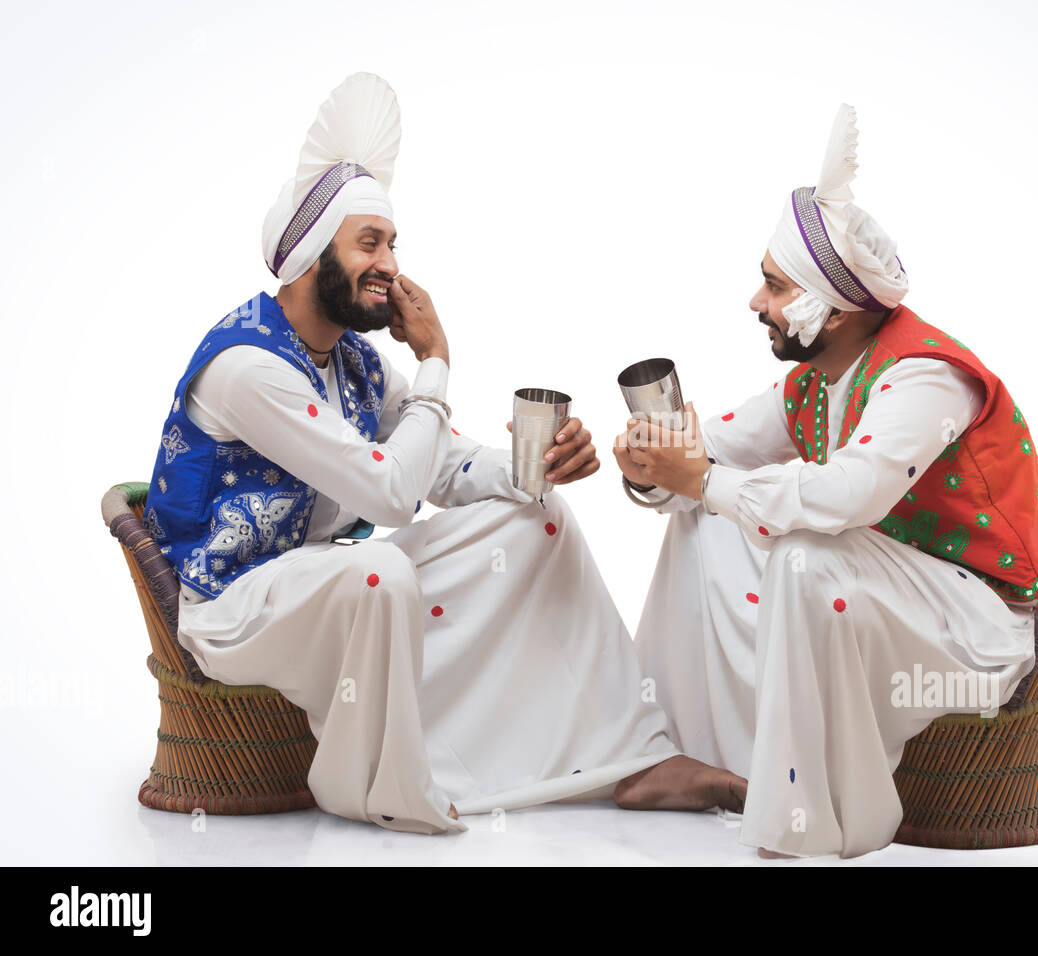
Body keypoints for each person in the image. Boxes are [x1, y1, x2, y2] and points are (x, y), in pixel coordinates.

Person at [145, 73, 745, 836]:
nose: (391, 264)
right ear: (308, 257)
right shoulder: (249, 367)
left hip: (326, 586)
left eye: (393, 244)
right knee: (378, 567)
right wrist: (436, 359)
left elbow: (445, 465)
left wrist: (535, 468)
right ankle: (390, 785)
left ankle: (630, 755)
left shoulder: (353, 363)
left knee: (538, 522)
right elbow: (391, 495)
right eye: (370, 243)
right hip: (236, 605)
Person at [613, 104, 1038, 858]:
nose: (755, 304)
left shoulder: (925, 376)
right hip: (899, 601)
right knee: (706, 511)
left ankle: (806, 821)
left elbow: (846, 496)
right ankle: (697, 752)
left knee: (802, 551)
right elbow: (713, 453)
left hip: (978, 629)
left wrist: (700, 477)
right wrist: (654, 464)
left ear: (832, 306)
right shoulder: (821, 379)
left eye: (772, 287)